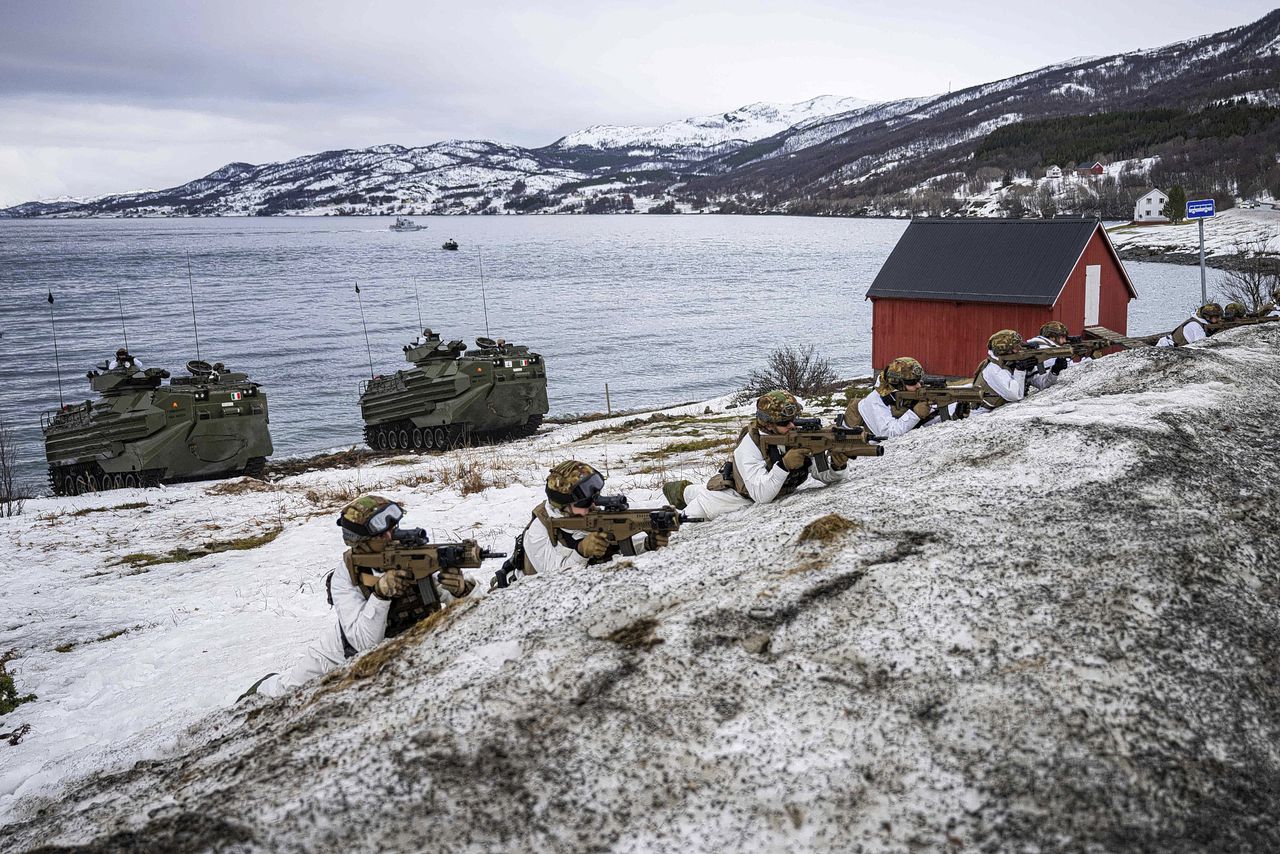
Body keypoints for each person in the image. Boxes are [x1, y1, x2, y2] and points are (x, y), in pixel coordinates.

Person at [244, 495, 478, 699]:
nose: (390, 536)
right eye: (380, 535)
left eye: (393, 528)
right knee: (284, 690)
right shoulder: (345, 575)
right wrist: (381, 594)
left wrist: (462, 591)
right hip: (337, 655)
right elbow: (364, 642)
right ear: (361, 544)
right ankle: (257, 689)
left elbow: (477, 613)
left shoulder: (417, 555)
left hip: (398, 649)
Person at [664, 390, 848, 521]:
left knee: (697, 491)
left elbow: (822, 474)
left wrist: (837, 467)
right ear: (768, 424)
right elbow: (761, 495)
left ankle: (685, 491)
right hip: (728, 500)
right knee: (678, 522)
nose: (792, 426)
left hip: (747, 489)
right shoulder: (750, 445)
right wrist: (784, 466)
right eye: (785, 422)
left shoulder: (795, 434)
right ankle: (679, 491)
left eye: (794, 419)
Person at [514, 461, 651, 576]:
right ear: (564, 506)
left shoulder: (590, 516)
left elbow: (619, 550)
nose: (593, 505)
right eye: (584, 502)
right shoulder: (539, 531)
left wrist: (647, 545)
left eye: (595, 497)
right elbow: (552, 578)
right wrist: (581, 552)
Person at [843, 357, 937, 437]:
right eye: (912, 382)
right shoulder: (876, 400)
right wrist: (915, 414)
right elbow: (888, 433)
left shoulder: (903, 394)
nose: (918, 386)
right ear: (898, 383)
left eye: (919, 381)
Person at [971, 330, 1034, 414]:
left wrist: (1054, 371)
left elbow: (1042, 384)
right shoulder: (994, 369)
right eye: (1015, 347)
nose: (1019, 349)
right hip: (982, 414)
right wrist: (1020, 371)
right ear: (1004, 350)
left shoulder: (1009, 362)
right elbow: (1015, 396)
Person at [1025, 320, 1074, 392]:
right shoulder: (1042, 351)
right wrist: (1055, 370)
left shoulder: (1045, 349)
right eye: (1062, 337)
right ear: (1052, 337)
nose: (1065, 341)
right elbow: (1043, 383)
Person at [1157, 303, 1221, 347]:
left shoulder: (1197, 321)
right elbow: (1202, 343)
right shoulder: (1196, 326)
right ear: (1207, 317)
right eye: (1216, 317)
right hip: (1166, 346)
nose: (1219, 319)